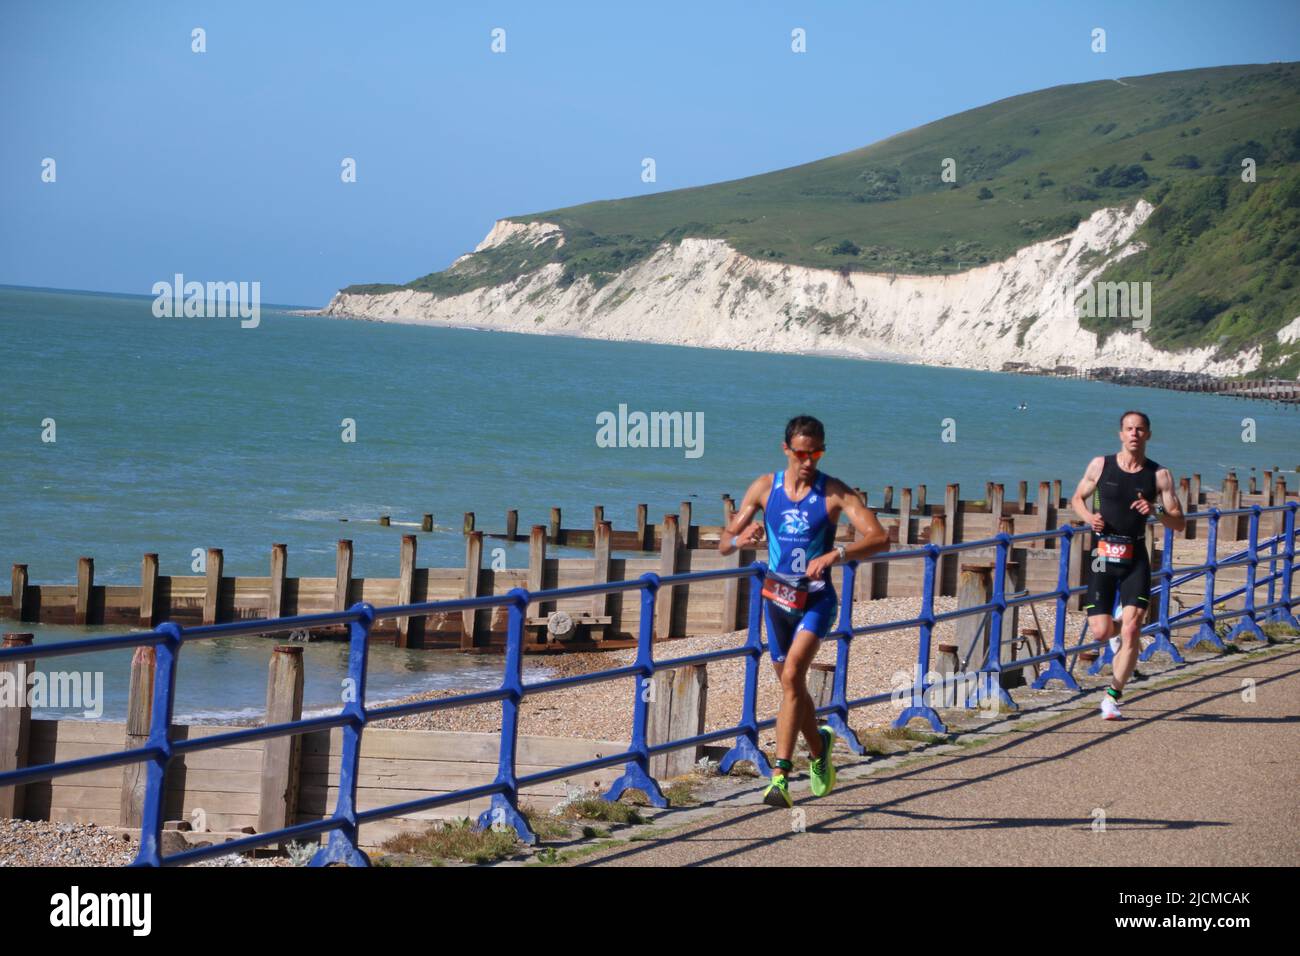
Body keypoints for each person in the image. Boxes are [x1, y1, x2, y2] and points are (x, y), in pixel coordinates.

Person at [719, 415, 889, 807]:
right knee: (791, 687)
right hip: (776, 600)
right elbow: (726, 543)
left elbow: (880, 537)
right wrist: (742, 537)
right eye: (802, 453)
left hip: (816, 600)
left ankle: (779, 775)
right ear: (787, 451)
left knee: (794, 674)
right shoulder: (764, 488)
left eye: (816, 453)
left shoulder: (834, 493)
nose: (809, 461)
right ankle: (820, 747)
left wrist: (838, 552)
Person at [1069, 411, 1186, 719]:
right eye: (1129, 429)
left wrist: (1155, 508)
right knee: (1101, 632)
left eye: (1140, 429)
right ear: (1121, 434)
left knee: (1134, 629)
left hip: (1135, 556)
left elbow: (1179, 523)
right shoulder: (1100, 464)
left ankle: (1112, 697)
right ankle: (1117, 628)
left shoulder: (1159, 475)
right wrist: (1088, 518)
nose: (1134, 434)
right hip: (1102, 556)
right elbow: (1077, 499)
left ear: (1148, 435)